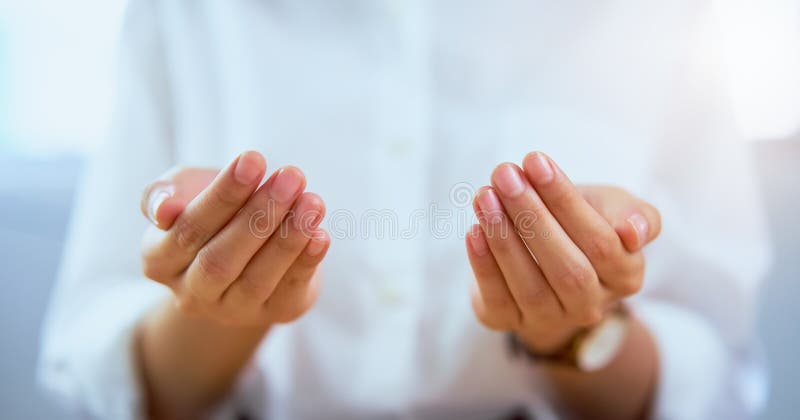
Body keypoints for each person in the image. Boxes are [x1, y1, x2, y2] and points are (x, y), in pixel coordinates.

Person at [38, 1, 772, 419]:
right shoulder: (188, 15)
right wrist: (222, 307)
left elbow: (717, 379)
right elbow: (92, 373)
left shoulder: (664, 21)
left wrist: (571, 331)